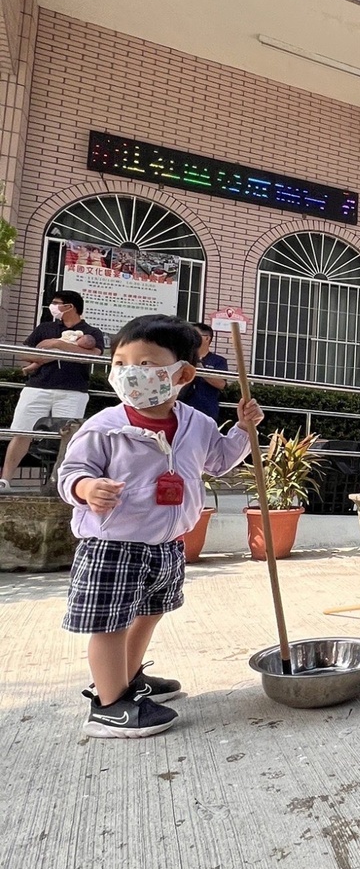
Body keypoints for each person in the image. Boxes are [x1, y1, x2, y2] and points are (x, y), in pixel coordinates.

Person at [56, 314, 263, 738]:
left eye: (146, 363)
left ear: (182, 374)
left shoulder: (198, 424)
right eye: (120, 362)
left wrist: (244, 429)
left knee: (149, 613)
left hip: (167, 544)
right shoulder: (105, 427)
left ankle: (127, 678)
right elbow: (71, 473)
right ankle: (109, 706)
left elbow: (219, 461)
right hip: (113, 544)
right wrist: (87, 488)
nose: (130, 372)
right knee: (109, 625)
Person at [0, 290, 105, 490]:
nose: (53, 306)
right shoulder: (45, 328)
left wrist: (57, 344)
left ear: (70, 307)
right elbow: (25, 353)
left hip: (73, 391)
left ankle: (59, 483)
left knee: (68, 437)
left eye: (57, 303)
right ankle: (5, 480)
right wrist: (46, 357)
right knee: (21, 432)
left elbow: (93, 355)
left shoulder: (91, 332)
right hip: (37, 387)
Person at [178, 322, 228, 420]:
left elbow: (221, 384)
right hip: (182, 408)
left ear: (207, 338)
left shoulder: (218, 360)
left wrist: (201, 369)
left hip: (206, 409)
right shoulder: (183, 358)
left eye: (195, 334)